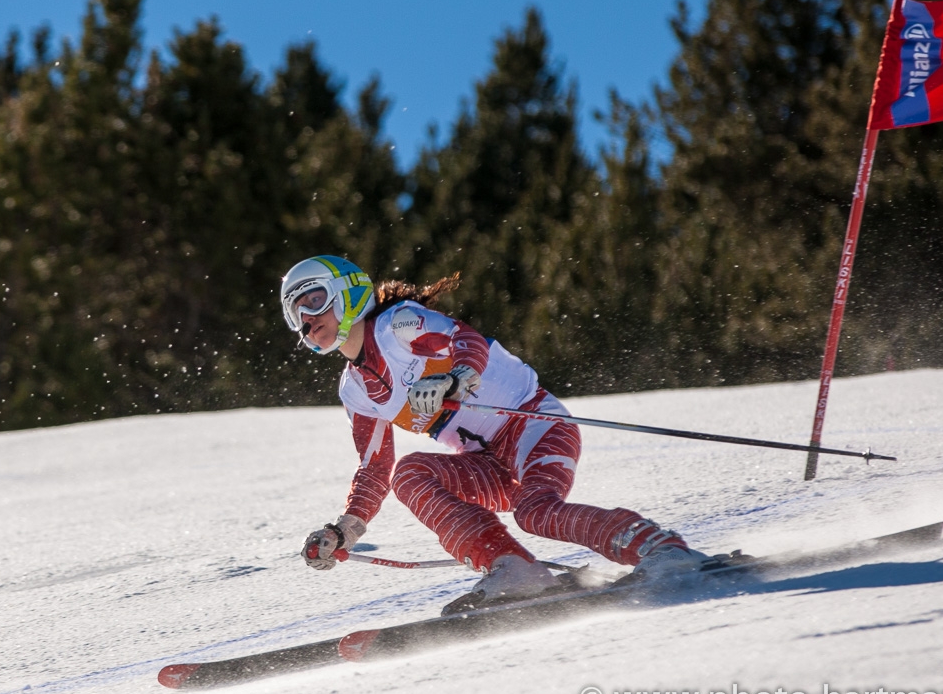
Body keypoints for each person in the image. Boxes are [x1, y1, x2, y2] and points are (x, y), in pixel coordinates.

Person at [282, 254, 707, 605]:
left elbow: (466, 341)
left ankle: (659, 547)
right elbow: (375, 467)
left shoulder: (398, 325)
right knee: (409, 474)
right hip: (486, 462)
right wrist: (345, 531)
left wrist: (456, 378)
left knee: (536, 511)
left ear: (349, 291)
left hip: (533, 425)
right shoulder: (356, 389)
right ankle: (515, 569)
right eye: (295, 313)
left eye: (315, 300)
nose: (307, 318)